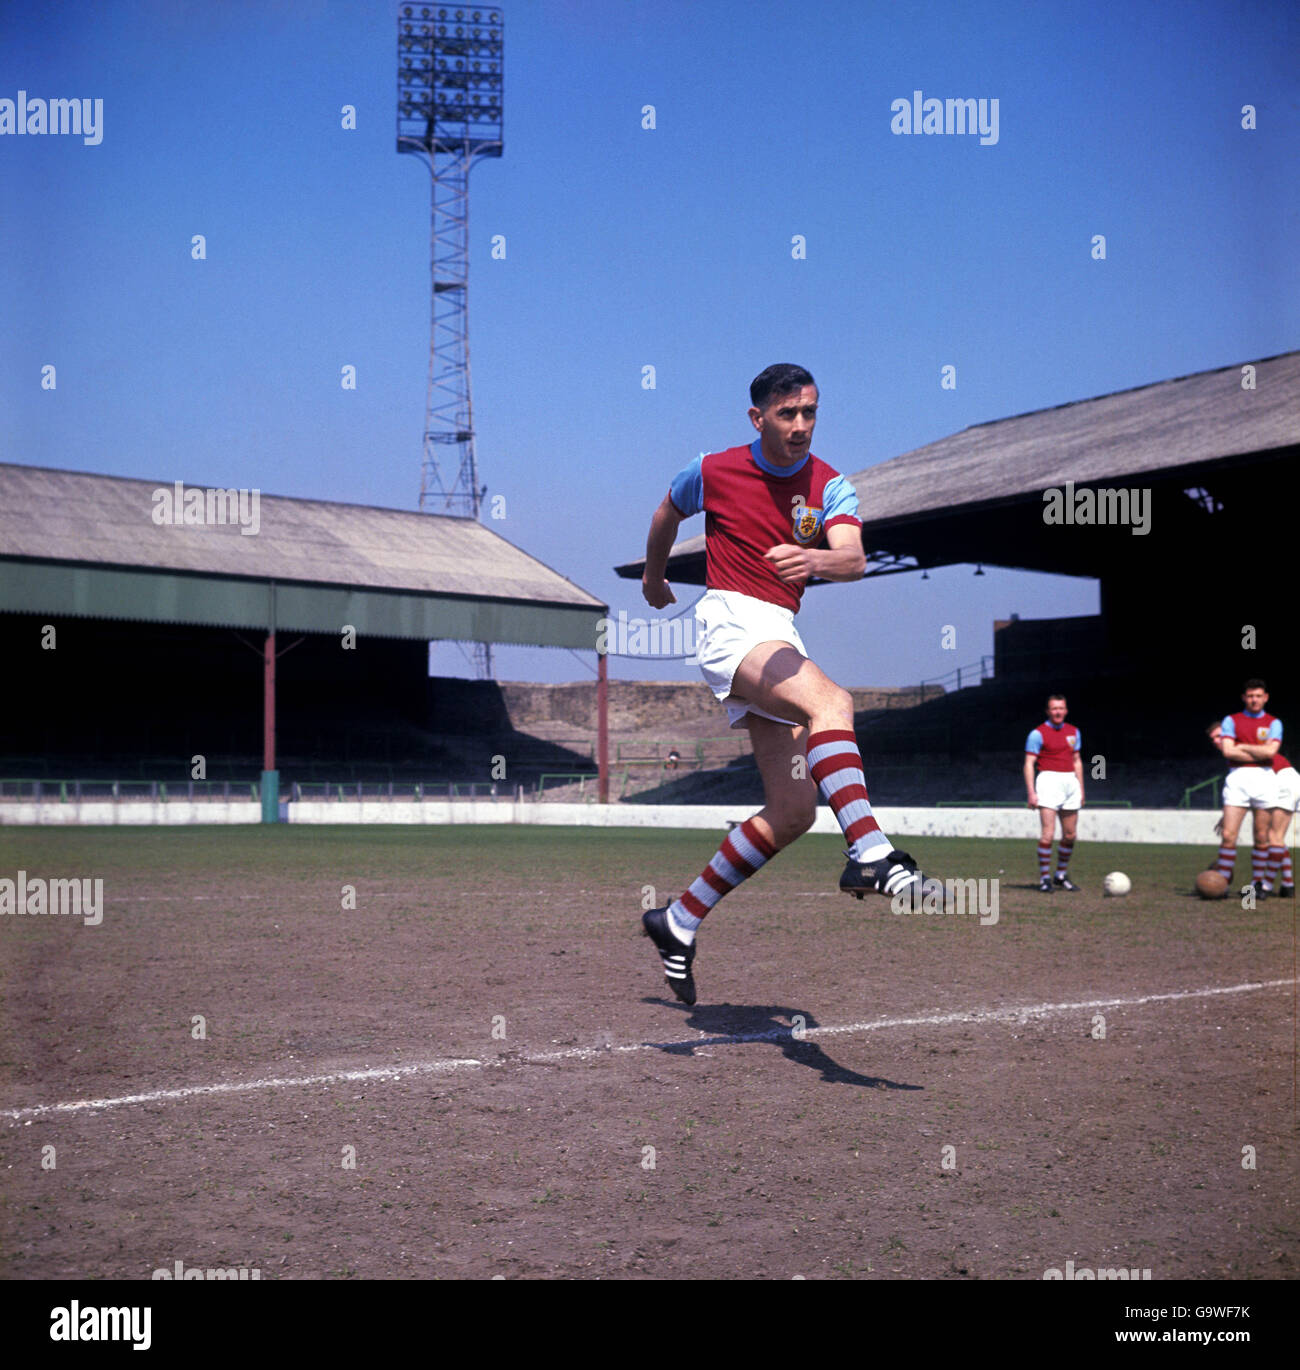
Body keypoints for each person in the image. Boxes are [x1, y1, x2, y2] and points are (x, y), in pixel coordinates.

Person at [637, 363, 932, 1005]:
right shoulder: (713, 470)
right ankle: (872, 852)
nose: (801, 426)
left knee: (794, 810)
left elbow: (853, 558)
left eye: (811, 413)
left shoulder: (831, 484)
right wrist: (655, 577)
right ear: (759, 418)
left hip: (779, 631)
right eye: (788, 414)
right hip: (730, 621)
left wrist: (815, 559)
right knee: (833, 702)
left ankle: (678, 920)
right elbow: (666, 509)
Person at [1211, 680, 1282, 899]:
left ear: (1266, 697)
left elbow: (1271, 753)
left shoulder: (1274, 723)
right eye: (1250, 695)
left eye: (1258, 695)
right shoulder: (1231, 720)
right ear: (1244, 698)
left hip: (1264, 779)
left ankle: (1256, 885)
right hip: (1238, 778)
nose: (1254, 699)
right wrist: (1257, 752)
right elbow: (1228, 752)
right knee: (1228, 834)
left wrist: (1242, 746)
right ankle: (1221, 881)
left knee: (1261, 836)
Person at [1023, 694, 1084, 892]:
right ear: (1048, 711)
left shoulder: (1074, 732)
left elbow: (1077, 760)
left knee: (1070, 834)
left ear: (1066, 710)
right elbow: (1029, 763)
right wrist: (1031, 792)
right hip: (1048, 781)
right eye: (1054, 708)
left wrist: (1081, 788)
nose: (1058, 712)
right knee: (1048, 834)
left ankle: (1060, 875)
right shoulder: (1037, 734)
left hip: (1070, 782)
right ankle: (1044, 878)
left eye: (1061, 708)